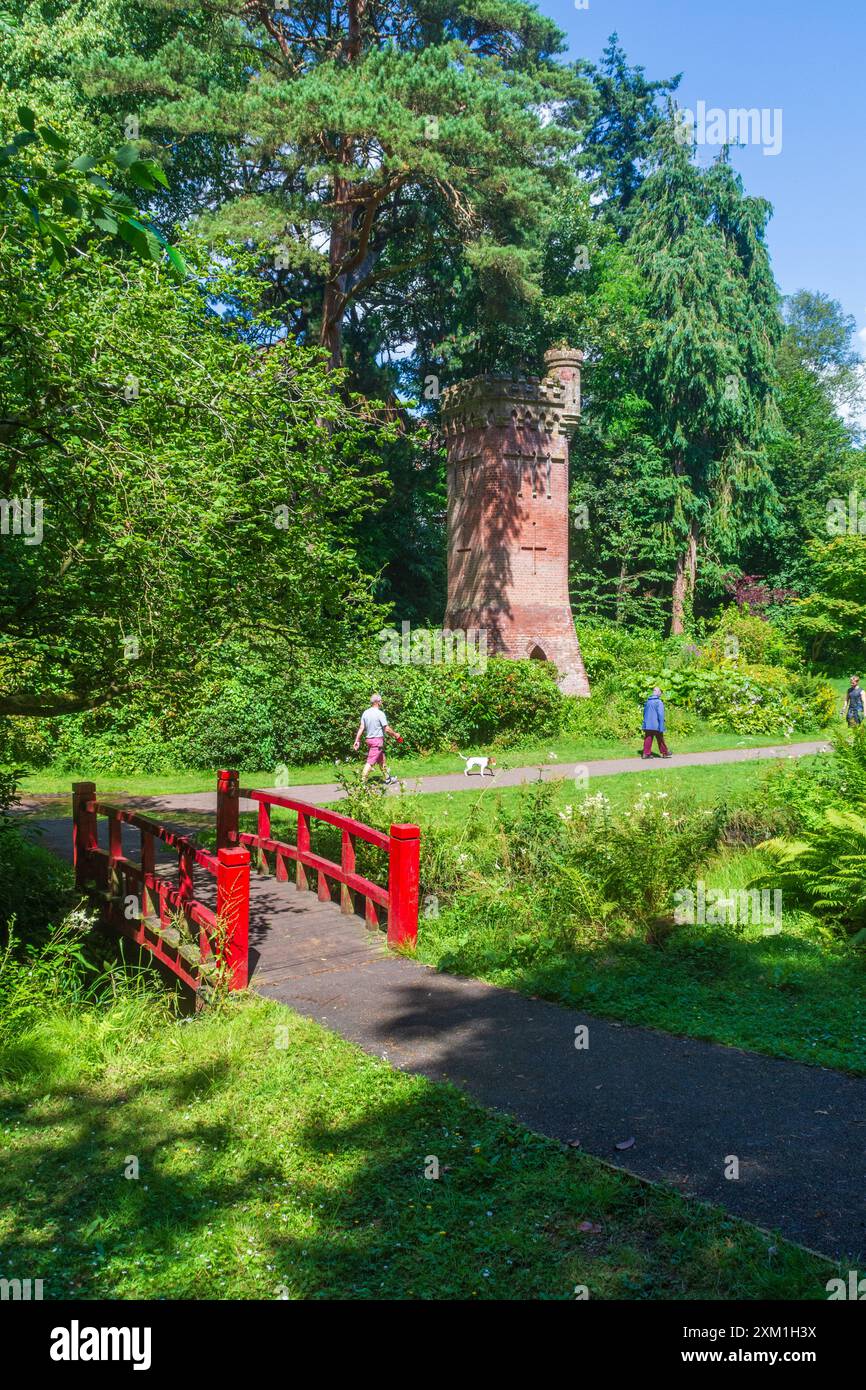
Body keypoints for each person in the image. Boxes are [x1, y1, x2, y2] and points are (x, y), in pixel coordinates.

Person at [353, 694, 402, 784]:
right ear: (377, 702)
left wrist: (357, 740)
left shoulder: (365, 713)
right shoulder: (380, 713)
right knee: (370, 762)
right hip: (377, 741)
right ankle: (361, 783)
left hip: (369, 740)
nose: (381, 702)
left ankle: (388, 778)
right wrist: (396, 735)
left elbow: (361, 727)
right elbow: (386, 729)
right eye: (381, 701)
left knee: (381, 759)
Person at [641, 686, 672, 759]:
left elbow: (644, 713)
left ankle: (645, 754)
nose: (660, 694)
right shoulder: (659, 702)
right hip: (656, 725)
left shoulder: (647, 701)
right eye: (660, 693)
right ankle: (665, 753)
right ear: (658, 692)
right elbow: (660, 715)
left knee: (648, 738)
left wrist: (645, 723)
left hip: (648, 724)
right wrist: (661, 726)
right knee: (660, 739)